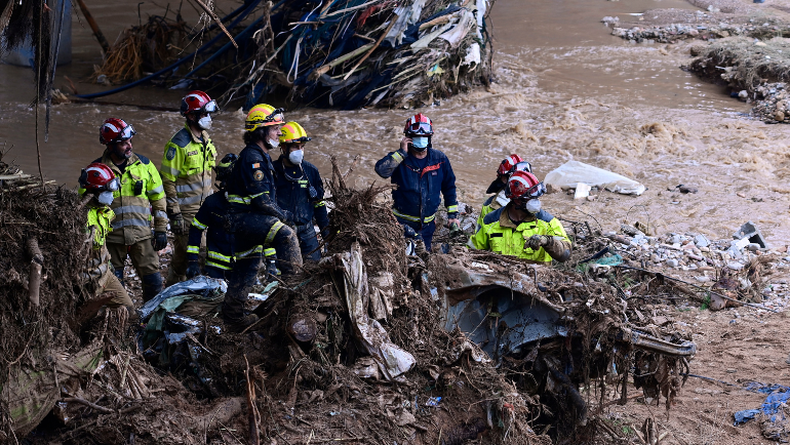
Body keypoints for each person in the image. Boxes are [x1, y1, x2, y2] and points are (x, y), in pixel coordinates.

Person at [220, 104, 302, 331]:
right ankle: (296, 297)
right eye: (275, 128)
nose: (279, 132)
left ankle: (233, 317)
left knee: (247, 266)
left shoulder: (260, 155)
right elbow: (262, 201)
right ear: (260, 130)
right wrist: (286, 216)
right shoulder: (253, 158)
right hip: (244, 218)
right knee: (286, 236)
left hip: (245, 220)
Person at [89, 118, 168, 302]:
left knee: (154, 282)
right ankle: (121, 322)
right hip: (112, 239)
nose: (129, 146)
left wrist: (161, 229)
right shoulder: (97, 171)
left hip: (143, 237)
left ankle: (150, 319)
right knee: (115, 287)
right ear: (110, 145)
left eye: (130, 142)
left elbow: (159, 199)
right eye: (124, 143)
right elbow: (85, 207)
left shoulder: (145, 165)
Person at [185, 154, 277, 280]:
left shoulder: (254, 204)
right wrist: (192, 261)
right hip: (216, 270)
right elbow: (196, 229)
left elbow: (265, 233)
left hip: (246, 267)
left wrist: (271, 263)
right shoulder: (212, 203)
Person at [374, 113, 459, 252]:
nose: (421, 140)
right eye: (416, 137)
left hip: (428, 227)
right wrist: (401, 152)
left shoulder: (440, 159)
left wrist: (452, 216)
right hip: (401, 225)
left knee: (424, 259)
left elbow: (449, 187)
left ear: (429, 137)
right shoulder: (400, 159)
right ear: (408, 138)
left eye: (424, 137)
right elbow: (381, 170)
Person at [160, 91, 219, 286]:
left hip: (205, 208)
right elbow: (167, 181)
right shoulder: (178, 145)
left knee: (181, 256)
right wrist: (175, 215)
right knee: (200, 255)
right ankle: (197, 299)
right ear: (191, 116)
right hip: (187, 214)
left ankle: (170, 289)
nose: (208, 119)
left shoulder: (205, 139)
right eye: (204, 114)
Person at [471, 171, 572, 262]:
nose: (537, 202)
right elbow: (471, 252)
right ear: (517, 200)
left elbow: (565, 254)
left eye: (537, 197)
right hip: (500, 277)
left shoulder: (548, 223)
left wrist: (547, 241)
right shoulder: (490, 221)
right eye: (531, 198)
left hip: (535, 279)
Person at [78, 162, 135, 318]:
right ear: (95, 192)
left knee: (130, 311)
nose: (112, 195)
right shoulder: (78, 217)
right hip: (86, 281)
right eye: (108, 191)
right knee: (86, 319)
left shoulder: (104, 212)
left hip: (105, 274)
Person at [272, 121, 330, 262]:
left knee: (314, 267)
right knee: (288, 273)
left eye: (302, 147)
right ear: (284, 147)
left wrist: (327, 235)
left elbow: (319, 204)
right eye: (295, 147)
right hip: (282, 232)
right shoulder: (272, 171)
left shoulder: (310, 171)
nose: (300, 151)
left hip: (307, 231)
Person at [476, 155, 533, 230]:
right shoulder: (493, 207)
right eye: (518, 177)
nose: (523, 181)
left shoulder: (529, 197)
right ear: (504, 179)